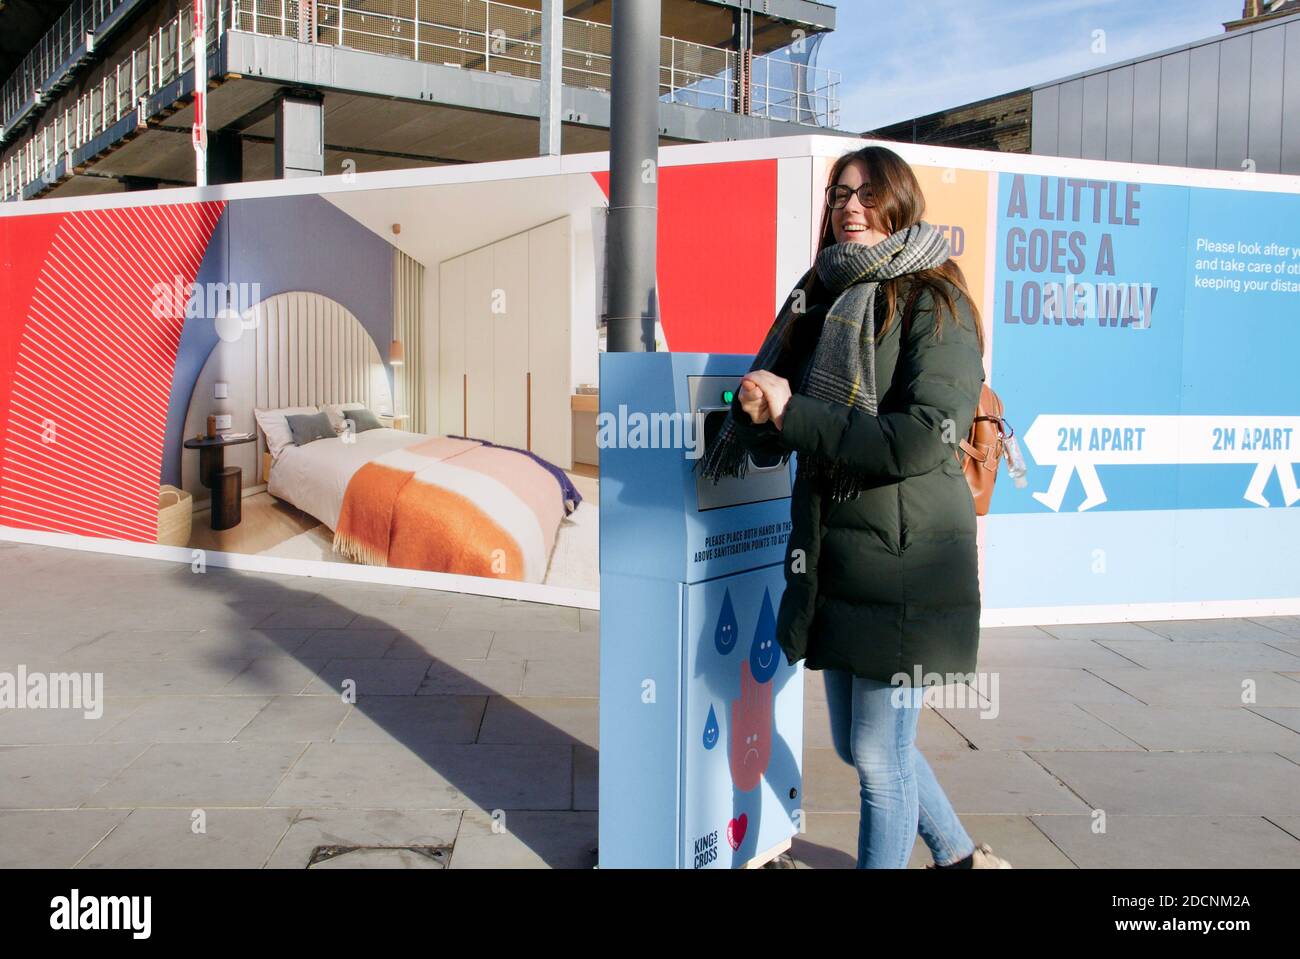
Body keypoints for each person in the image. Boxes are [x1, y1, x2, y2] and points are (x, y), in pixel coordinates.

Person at [696, 145, 1011, 870]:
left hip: (905, 562)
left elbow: (915, 442)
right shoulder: (821, 299)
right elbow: (788, 429)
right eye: (839, 193)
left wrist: (794, 414)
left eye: (868, 193)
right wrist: (757, 414)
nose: (850, 205)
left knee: (877, 753)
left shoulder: (939, 302)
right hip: (837, 556)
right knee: (861, 743)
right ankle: (963, 857)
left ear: (901, 202)